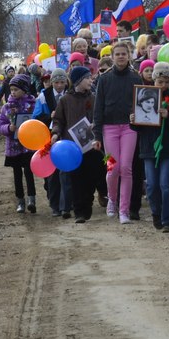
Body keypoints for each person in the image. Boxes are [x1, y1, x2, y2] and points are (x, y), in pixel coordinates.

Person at [94, 41, 144, 224]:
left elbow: (141, 102)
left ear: (129, 56)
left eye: (124, 54)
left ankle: (124, 209)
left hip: (129, 129)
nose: (121, 56)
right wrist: (97, 135)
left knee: (126, 168)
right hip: (109, 129)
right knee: (112, 167)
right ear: (112, 57)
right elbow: (98, 107)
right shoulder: (104, 79)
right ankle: (111, 200)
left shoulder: (136, 78)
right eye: (118, 54)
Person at [133, 66, 169, 233]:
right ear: (153, 80)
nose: (162, 85)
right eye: (159, 81)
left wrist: (168, 116)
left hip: (168, 148)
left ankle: (168, 219)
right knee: (152, 185)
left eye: (165, 82)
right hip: (149, 147)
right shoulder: (144, 95)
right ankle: (156, 213)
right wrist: (133, 120)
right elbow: (137, 127)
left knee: (166, 184)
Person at [50, 66, 104, 223]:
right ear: (79, 81)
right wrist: (55, 133)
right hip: (73, 148)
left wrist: (96, 126)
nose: (90, 80)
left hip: (92, 146)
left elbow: (100, 117)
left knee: (91, 178)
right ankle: (80, 212)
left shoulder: (94, 98)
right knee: (76, 180)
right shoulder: (65, 100)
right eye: (87, 78)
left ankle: (88, 204)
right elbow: (58, 120)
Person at [0, 74, 38, 213]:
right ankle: (20, 200)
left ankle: (31, 199)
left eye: (16, 89)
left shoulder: (32, 105)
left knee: (28, 171)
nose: (13, 92)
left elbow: (38, 122)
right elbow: (0, 125)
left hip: (28, 146)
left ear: (25, 89)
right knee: (17, 174)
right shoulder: (7, 107)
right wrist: (9, 128)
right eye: (12, 89)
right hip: (14, 147)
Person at [32, 69, 70, 216]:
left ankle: (66, 204)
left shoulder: (69, 94)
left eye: (62, 82)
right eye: (56, 82)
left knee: (66, 170)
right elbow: (36, 117)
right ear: (52, 82)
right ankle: (55, 205)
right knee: (53, 172)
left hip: (66, 135)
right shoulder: (44, 96)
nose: (60, 85)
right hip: (49, 136)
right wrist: (50, 116)